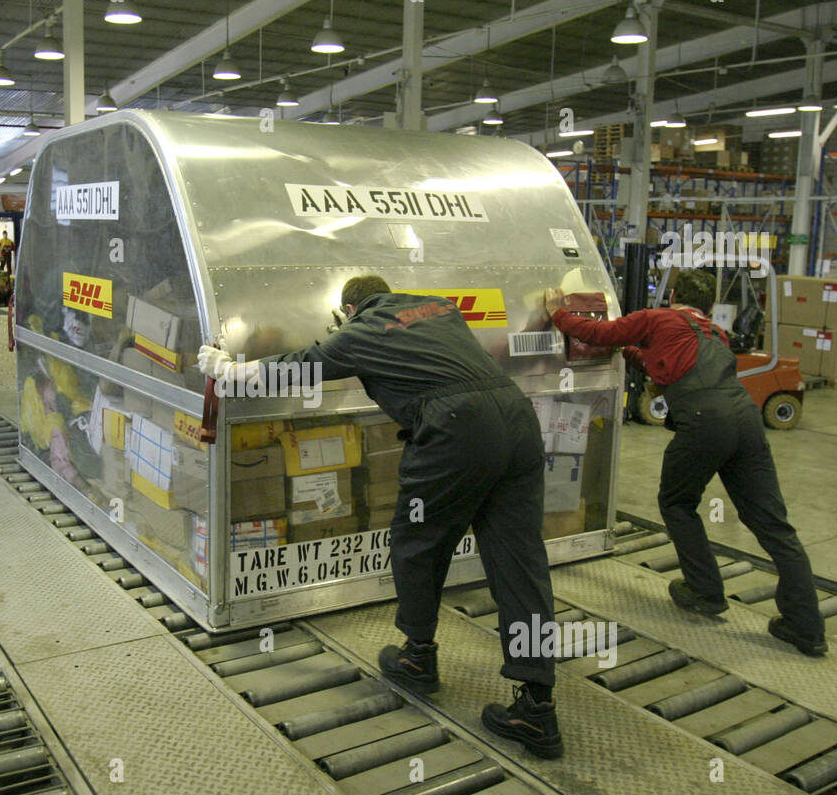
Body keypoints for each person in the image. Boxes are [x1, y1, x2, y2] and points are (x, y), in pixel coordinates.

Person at [198, 275, 564, 759]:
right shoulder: (438, 304)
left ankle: (417, 658)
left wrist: (229, 369)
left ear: (350, 308)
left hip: (453, 428)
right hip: (516, 419)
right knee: (521, 560)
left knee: (417, 543)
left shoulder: (362, 330)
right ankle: (537, 707)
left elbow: (303, 367)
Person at [544, 269, 827, 656]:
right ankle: (806, 627)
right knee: (774, 526)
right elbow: (674, 363)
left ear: (673, 292)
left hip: (703, 422)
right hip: (745, 421)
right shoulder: (714, 332)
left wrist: (557, 314)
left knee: (676, 502)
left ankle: (705, 591)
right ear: (709, 305)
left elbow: (598, 333)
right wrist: (632, 353)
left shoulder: (657, 318)